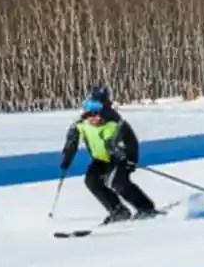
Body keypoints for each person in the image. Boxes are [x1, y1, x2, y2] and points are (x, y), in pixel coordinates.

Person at [60, 88, 159, 223]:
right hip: (101, 159)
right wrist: (67, 158)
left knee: (119, 183)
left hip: (120, 159)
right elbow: (71, 143)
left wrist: (131, 159)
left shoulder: (115, 123)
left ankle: (146, 208)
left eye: (96, 113)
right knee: (92, 181)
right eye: (89, 113)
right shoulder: (80, 125)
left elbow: (131, 142)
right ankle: (118, 211)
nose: (92, 118)